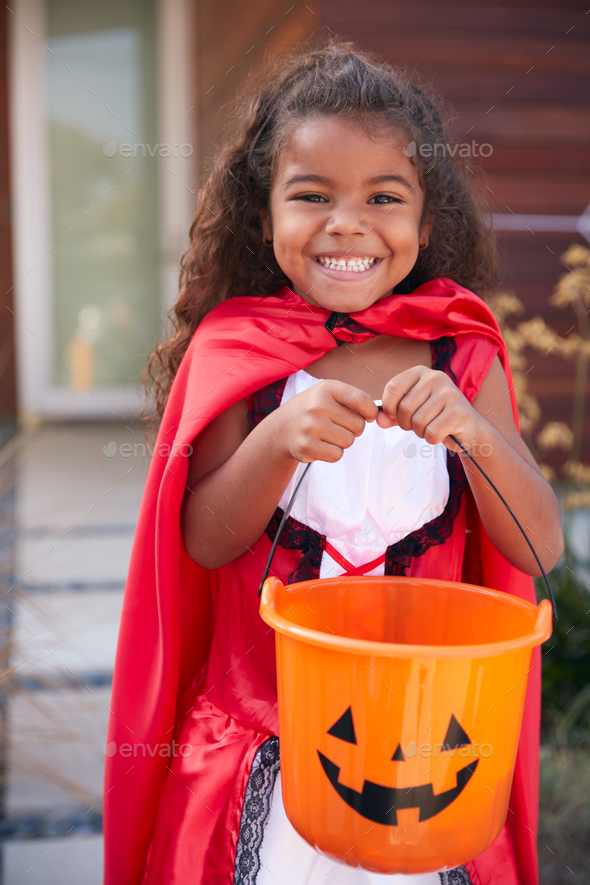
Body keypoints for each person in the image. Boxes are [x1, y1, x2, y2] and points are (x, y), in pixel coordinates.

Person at [103, 41, 563, 885]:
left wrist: (475, 435)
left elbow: (538, 552)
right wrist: (275, 444)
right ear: (265, 215)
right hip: (257, 759)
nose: (346, 223)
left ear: (426, 224)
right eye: (311, 196)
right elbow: (202, 542)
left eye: (383, 197)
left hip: (428, 756)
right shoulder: (237, 351)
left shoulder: (463, 355)